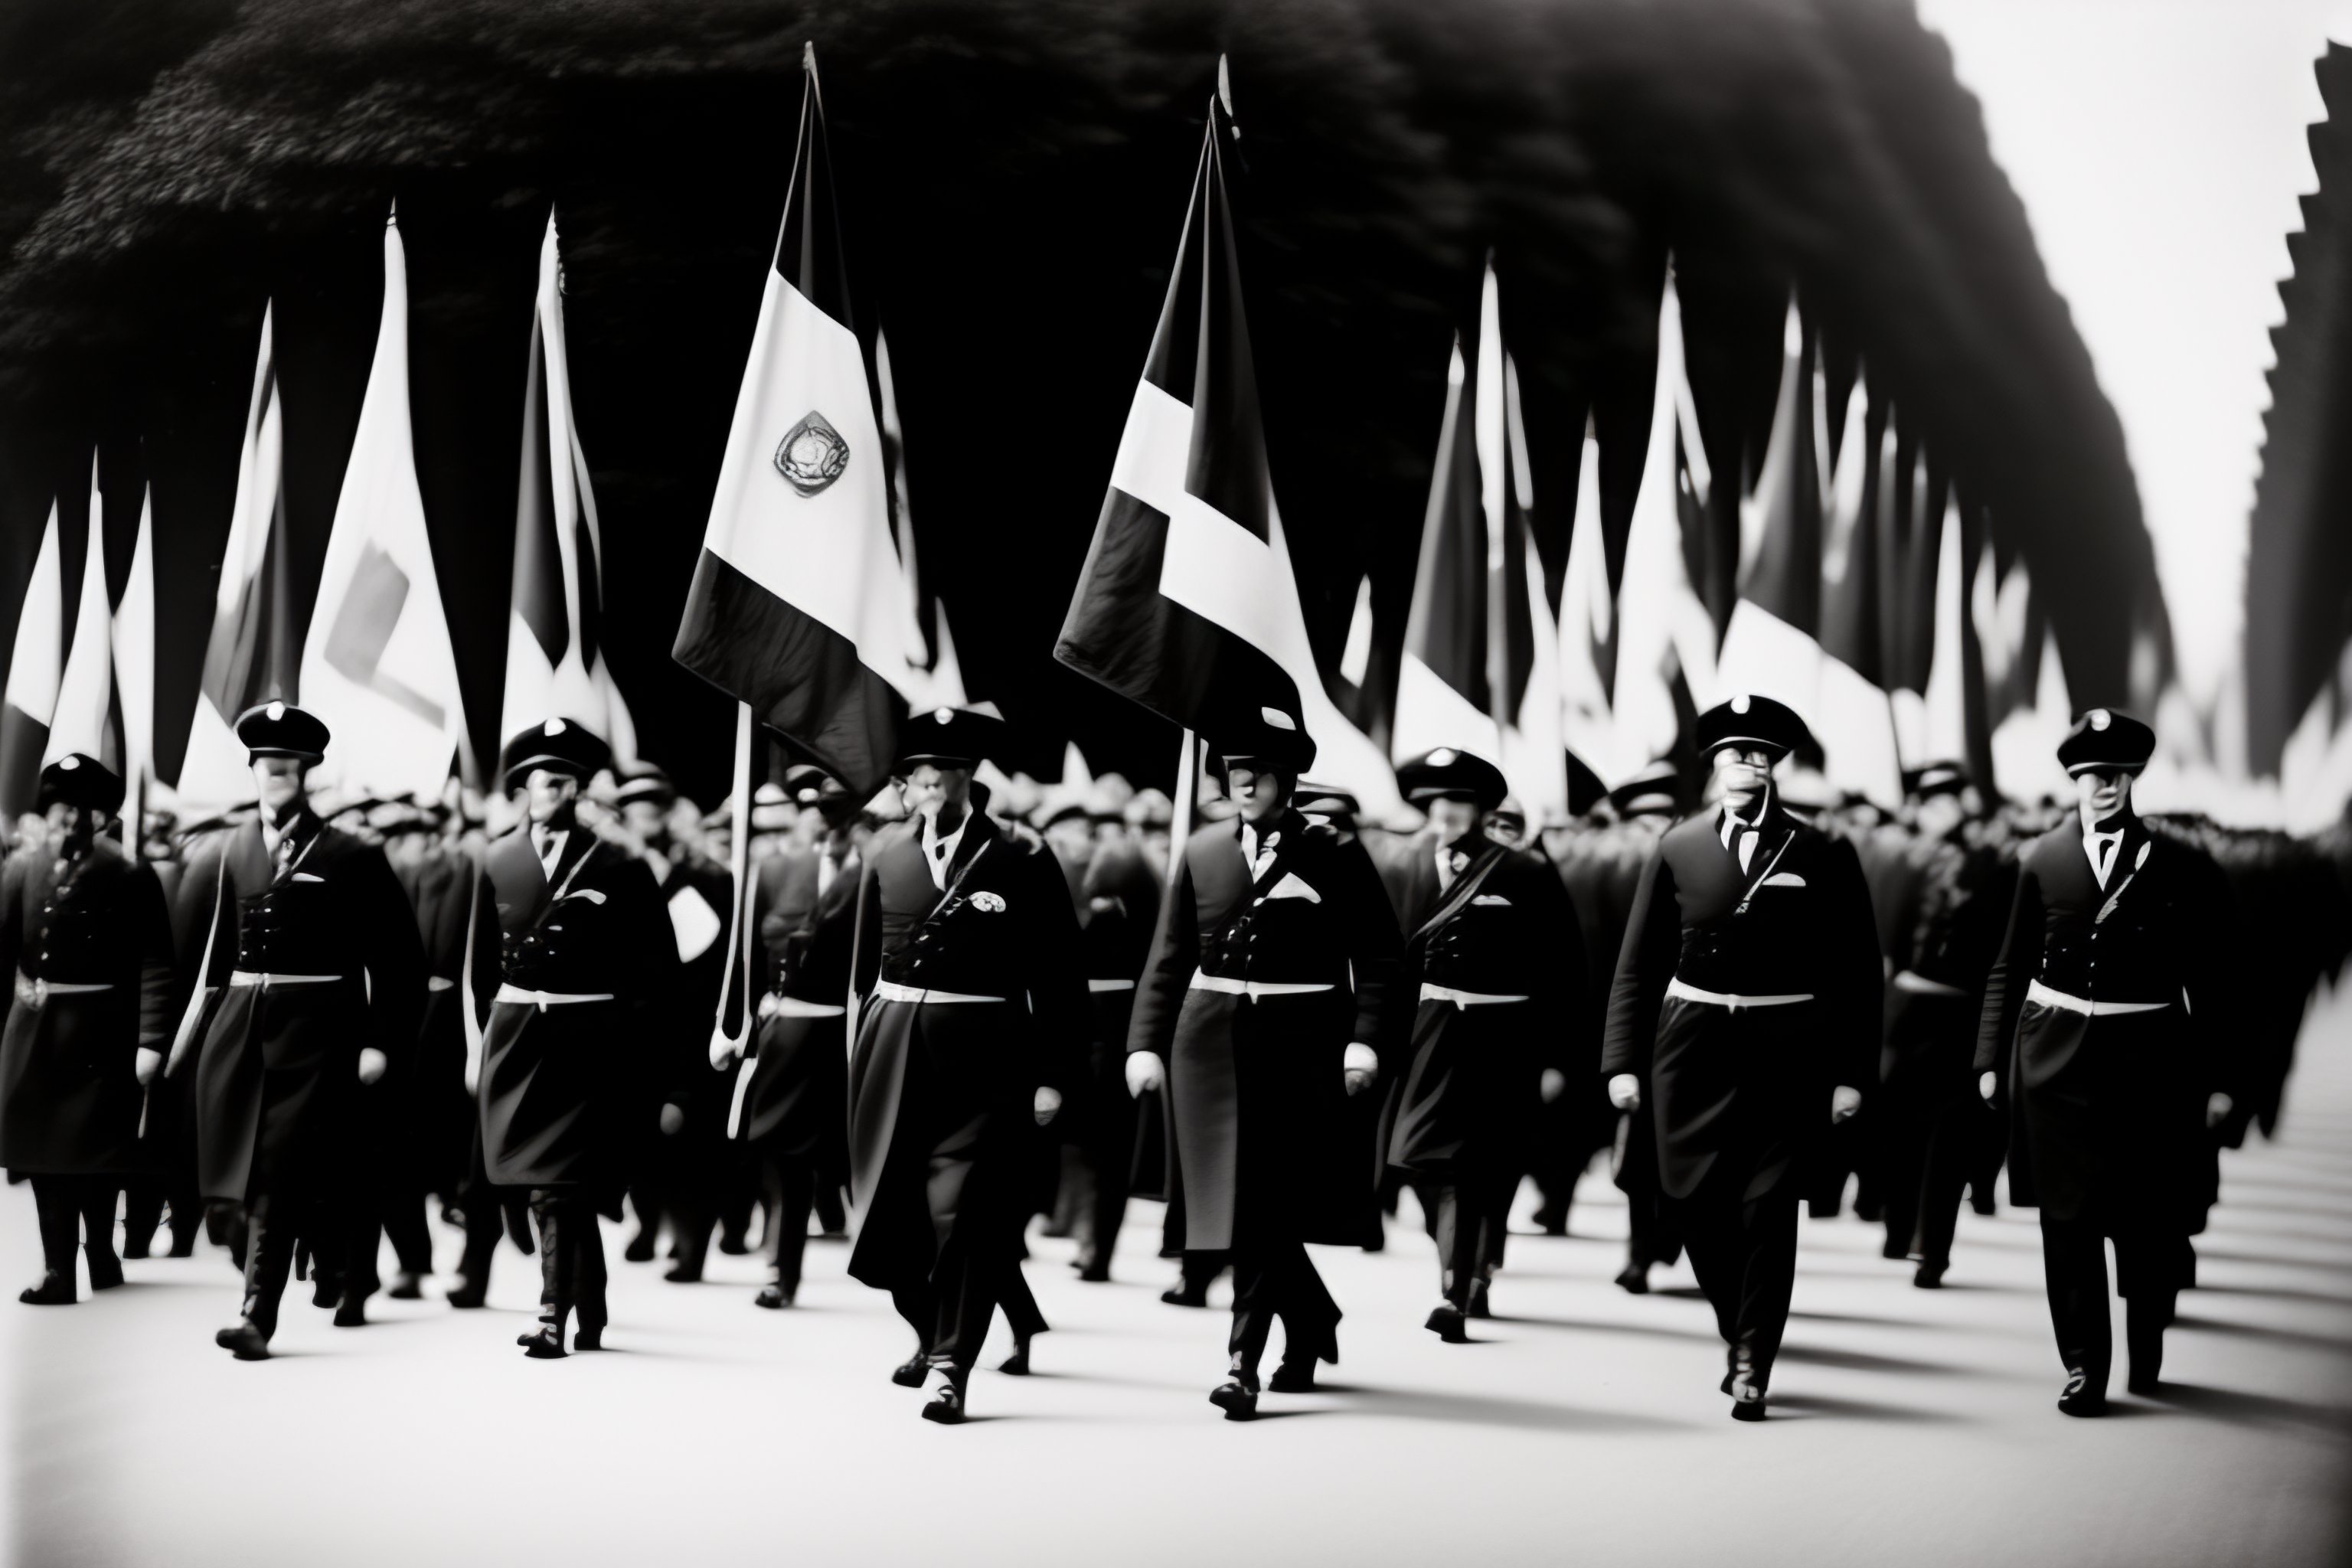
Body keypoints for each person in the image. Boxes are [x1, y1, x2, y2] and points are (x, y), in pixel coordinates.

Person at [1601, 695, 1880, 1420]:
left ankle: (1754, 1354)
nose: (1744, 765)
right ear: (1715, 765)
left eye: (1758, 754)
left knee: (1767, 1208)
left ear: (1776, 765)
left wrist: (1852, 1073)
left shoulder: (1821, 851)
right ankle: (1738, 1324)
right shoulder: (1679, 845)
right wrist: (1622, 1062)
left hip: (1786, 1051)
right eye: (1732, 753)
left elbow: (1855, 973)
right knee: (1693, 1202)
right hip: (1689, 1047)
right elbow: (1638, 966)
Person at [1128, 708, 1402, 1421]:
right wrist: (1144, 1044)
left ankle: (1241, 1362)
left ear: (1287, 781)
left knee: (1263, 1201)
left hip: (1301, 1039)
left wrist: (1364, 1038)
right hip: (1206, 1043)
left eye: (1259, 774)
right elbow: (1168, 957)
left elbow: (1378, 955)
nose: (1244, 785)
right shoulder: (1202, 849)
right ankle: (1311, 1318)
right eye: (1235, 773)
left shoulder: (1334, 850)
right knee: (1234, 1200)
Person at [1976, 709, 2239, 1416]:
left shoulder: (2182, 864)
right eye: (2091, 775)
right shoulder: (2041, 860)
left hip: (2150, 1061)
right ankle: (2085, 1365)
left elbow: (2214, 981)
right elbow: (2008, 966)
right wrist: (1988, 1059)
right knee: (2066, 1219)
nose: (2103, 787)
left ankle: (2146, 1332)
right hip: (2054, 1060)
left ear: (2133, 780)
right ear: (2073, 780)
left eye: (2115, 775)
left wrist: (2221, 1080)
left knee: (2146, 1213)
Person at [845, 704, 1086, 1424]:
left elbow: (1061, 974)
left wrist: (1054, 1072)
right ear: (905, 784)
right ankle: (928, 1332)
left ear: (970, 776)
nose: (933, 787)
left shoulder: (1022, 855)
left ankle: (953, 1366)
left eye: (947, 773)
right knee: (892, 1217)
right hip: (892, 1055)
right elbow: (862, 970)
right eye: (921, 775)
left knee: (962, 1216)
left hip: (987, 1059)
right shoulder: (884, 854)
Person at [172, 703, 426, 1357]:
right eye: (265, 761)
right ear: (252, 769)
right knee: (235, 1180)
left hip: (318, 1037)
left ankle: (258, 1314)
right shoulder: (226, 851)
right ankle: (335, 1263)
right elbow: (200, 954)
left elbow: (398, 962)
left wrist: (379, 1040)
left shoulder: (350, 856)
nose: (275, 770)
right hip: (239, 1034)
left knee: (277, 1173)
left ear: (308, 770)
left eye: (289, 762)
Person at [468, 720, 678, 1358]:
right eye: (539, 781)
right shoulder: (498, 858)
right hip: (517, 1033)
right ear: (522, 787)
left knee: (557, 1183)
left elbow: (654, 969)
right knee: (555, 1183)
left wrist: (641, 1056)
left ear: (580, 788)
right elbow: (480, 964)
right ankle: (591, 1302)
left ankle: (552, 1315)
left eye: (562, 781)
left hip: (590, 1039)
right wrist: (484, 1040)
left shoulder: (619, 863)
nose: (549, 791)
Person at [1385, 749, 1580, 1339]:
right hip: (1422, 1035)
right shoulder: (1401, 863)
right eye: (1435, 802)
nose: (1444, 813)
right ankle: (1460, 1262)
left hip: (1500, 1036)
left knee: (1477, 1167)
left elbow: (1565, 971)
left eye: (1459, 803)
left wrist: (1556, 1057)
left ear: (1478, 810)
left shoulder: (1523, 871)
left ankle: (1459, 1285)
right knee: (1418, 1161)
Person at [0, 756, 174, 1303]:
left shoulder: (127, 872)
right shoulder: (22, 868)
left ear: (97, 814)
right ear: (47, 811)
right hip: (35, 1033)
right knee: (42, 1153)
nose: (69, 820)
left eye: (79, 809)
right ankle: (58, 1270)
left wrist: (150, 1040)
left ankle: (100, 1250)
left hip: (101, 1032)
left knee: (95, 1154)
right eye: (59, 808)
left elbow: (155, 961)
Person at [1877, 764, 2013, 1285]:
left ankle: (1930, 1247)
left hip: (1958, 1012)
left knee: (1947, 1135)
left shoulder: (1993, 867)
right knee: (1902, 1126)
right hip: (1910, 1008)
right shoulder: (1900, 860)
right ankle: (1901, 1230)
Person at [738, 763, 859, 1308]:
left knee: (859, 1151)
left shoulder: (879, 871)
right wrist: (739, 1023)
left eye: (837, 815)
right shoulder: (778, 869)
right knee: (785, 1154)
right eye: (817, 812)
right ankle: (780, 1268)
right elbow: (747, 956)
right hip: (788, 1029)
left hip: (851, 1034)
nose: (825, 825)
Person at [612, 765, 737, 1282]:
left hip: (691, 1022)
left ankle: (692, 1244)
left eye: (649, 812)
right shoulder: (617, 872)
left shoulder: (704, 875)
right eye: (632, 813)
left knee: (693, 1141)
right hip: (635, 1027)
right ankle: (645, 1223)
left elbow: (714, 961)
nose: (641, 822)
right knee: (639, 1138)